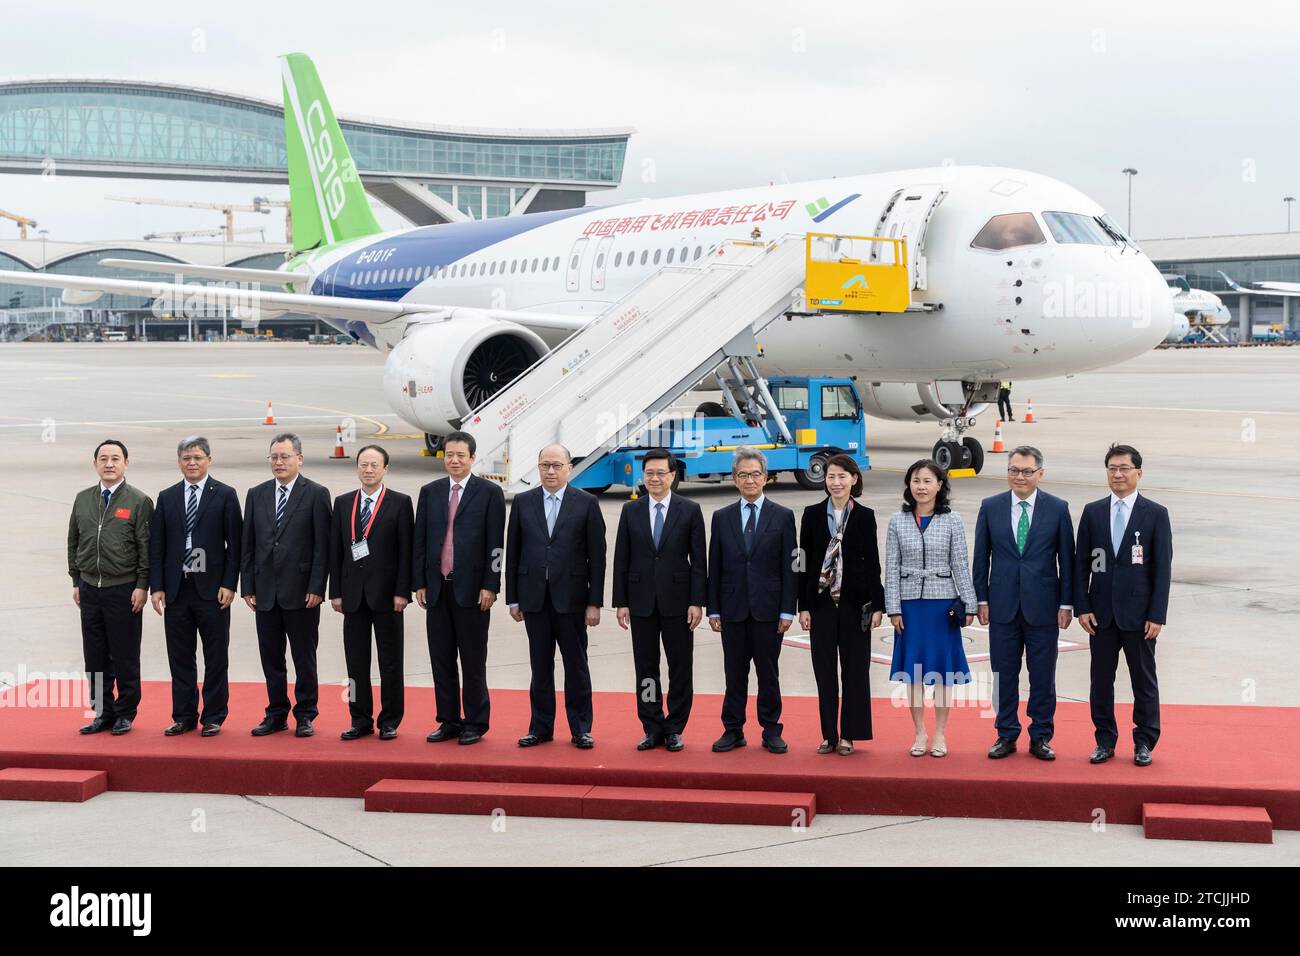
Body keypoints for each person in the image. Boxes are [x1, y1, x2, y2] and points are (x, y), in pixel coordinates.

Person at [973, 445, 1074, 761]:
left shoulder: (1057, 509)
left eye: (1027, 471)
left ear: (1040, 474)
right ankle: (1005, 734)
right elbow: (981, 557)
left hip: (1043, 607)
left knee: (1043, 675)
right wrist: (981, 598)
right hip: (1002, 606)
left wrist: (1066, 603)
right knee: (1003, 674)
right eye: (1014, 470)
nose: (1019, 476)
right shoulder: (991, 507)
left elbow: (1067, 561)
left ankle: (1041, 735)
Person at [1075, 444, 1172, 767]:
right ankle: (1104, 740)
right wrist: (1082, 607)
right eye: (1112, 468)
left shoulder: (1155, 514)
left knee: (1143, 682)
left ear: (1138, 473)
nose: (1117, 474)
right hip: (1100, 616)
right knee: (1101, 681)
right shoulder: (1093, 512)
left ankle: (1144, 741)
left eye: (1124, 468)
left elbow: (1162, 568)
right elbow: (1081, 564)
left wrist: (1157, 614)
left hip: (1140, 616)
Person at [506, 444, 605, 749]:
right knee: (540, 667)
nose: (550, 471)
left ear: (569, 468)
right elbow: (513, 553)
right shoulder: (523, 502)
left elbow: (597, 557)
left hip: (572, 600)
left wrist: (594, 602)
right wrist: (513, 598)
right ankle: (540, 727)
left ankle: (580, 728)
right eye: (545, 465)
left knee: (576, 666)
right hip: (534, 599)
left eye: (556, 466)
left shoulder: (586, 503)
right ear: (538, 467)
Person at [413, 430, 504, 746]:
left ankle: (476, 722)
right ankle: (448, 720)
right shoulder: (430, 492)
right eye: (448, 455)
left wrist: (491, 585)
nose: (453, 460)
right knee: (441, 658)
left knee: (473, 660)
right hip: (438, 588)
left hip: (473, 590)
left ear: (472, 458)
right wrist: (420, 582)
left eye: (460, 456)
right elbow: (421, 541)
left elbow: (496, 545)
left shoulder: (489, 493)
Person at [612, 449, 706, 751]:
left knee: (680, 667)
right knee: (646, 668)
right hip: (640, 602)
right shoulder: (631, 511)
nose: (654, 478)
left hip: (678, 602)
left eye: (660, 473)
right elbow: (621, 559)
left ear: (672, 475)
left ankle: (675, 727)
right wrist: (621, 601)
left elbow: (699, 561)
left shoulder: (689, 510)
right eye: (649, 473)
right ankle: (652, 725)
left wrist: (697, 601)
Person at [149, 436, 242, 738]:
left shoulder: (225, 495)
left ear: (209, 460)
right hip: (177, 590)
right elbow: (158, 545)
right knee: (180, 656)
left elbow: (235, 545)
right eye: (187, 458)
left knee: (216, 656)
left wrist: (230, 583)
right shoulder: (167, 496)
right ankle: (184, 715)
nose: (192, 463)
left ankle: (213, 715)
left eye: (198, 458)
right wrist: (157, 586)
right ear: (179, 462)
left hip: (212, 591)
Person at [707, 448, 797, 754]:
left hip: (769, 611)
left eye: (755, 474)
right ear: (734, 479)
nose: (750, 480)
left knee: (768, 673)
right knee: (734, 673)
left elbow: (790, 566)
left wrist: (788, 609)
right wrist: (713, 608)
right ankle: (733, 730)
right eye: (743, 474)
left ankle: (771, 729)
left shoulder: (783, 517)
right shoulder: (721, 518)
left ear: (766, 478)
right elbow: (714, 566)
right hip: (732, 610)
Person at [241, 433, 331, 738]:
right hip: (265, 592)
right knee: (271, 658)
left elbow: (323, 546)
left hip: (302, 592)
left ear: (299, 459)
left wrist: (318, 586)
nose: (279, 462)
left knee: (304, 657)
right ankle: (276, 712)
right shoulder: (256, 494)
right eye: (274, 457)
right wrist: (247, 585)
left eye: (285, 457)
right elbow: (248, 544)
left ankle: (306, 713)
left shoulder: (317, 494)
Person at [885, 459, 976, 758]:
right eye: (915, 481)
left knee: (942, 673)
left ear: (939, 485)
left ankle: (939, 733)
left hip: (942, 605)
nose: (921, 487)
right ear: (908, 485)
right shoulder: (897, 521)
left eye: (927, 481)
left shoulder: (953, 521)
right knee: (913, 673)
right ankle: (919, 732)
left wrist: (970, 602)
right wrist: (893, 608)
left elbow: (960, 563)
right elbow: (892, 566)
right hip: (910, 606)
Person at [797, 455, 884, 755]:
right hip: (820, 603)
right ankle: (828, 735)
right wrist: (803, 605)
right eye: (831, 476)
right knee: (824, 672)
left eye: (842, 477)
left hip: (854, 604)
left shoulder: (864, 515)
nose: (835, 482)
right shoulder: (810, 514)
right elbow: (802, 562)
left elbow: (873, 563)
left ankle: (849, 733)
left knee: (855, 671)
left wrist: (877, 605)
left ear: (854, 480)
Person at [67, 439, 154, 735]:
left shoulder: (139, 501)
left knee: (125, 653)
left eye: (115, 458)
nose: (109, 463)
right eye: (103, 458)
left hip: (123, 589)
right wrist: (76, 580)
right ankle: (102, 712)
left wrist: (142, 585)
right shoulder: (82, 499)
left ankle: (126, 712)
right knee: (95, 655)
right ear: (95, 464)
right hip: (90, 589)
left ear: (126, 464)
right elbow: (73, 541)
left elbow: (146, 548)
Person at [329, 445, 413, 740]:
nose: (368, 470)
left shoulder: (400, 503)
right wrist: (335, 592)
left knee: (391, 661)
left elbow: (406, 552)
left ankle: (390, 720)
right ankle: (359, 718)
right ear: (357, 468)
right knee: (355, 662)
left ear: (385, 469)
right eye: (363, 464)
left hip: (388, 597)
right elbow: (336, 551)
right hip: (353, 597)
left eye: (374, 465)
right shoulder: (342, 503)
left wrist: (403, 592)